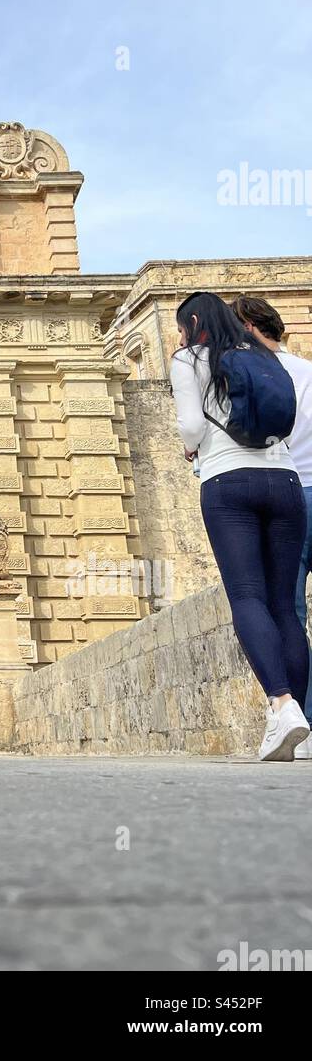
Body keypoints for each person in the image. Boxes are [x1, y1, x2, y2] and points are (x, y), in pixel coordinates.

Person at [170, 291, 308, 761]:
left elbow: (191, 427)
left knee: (248, 597)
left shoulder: (189, 359)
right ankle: (300, 722)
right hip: (285, 481)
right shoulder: (264, 356)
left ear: (194, 321)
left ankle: (282, 705)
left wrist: (192, 445)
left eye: (181, 328)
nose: (180, 337)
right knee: (284, 607)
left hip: (228, 481)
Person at [232, 296, 312, 746]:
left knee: (286, 610)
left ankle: (298, 718)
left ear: (247, 327)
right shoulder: (307, 371)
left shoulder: (251, 376)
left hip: (286, 491)